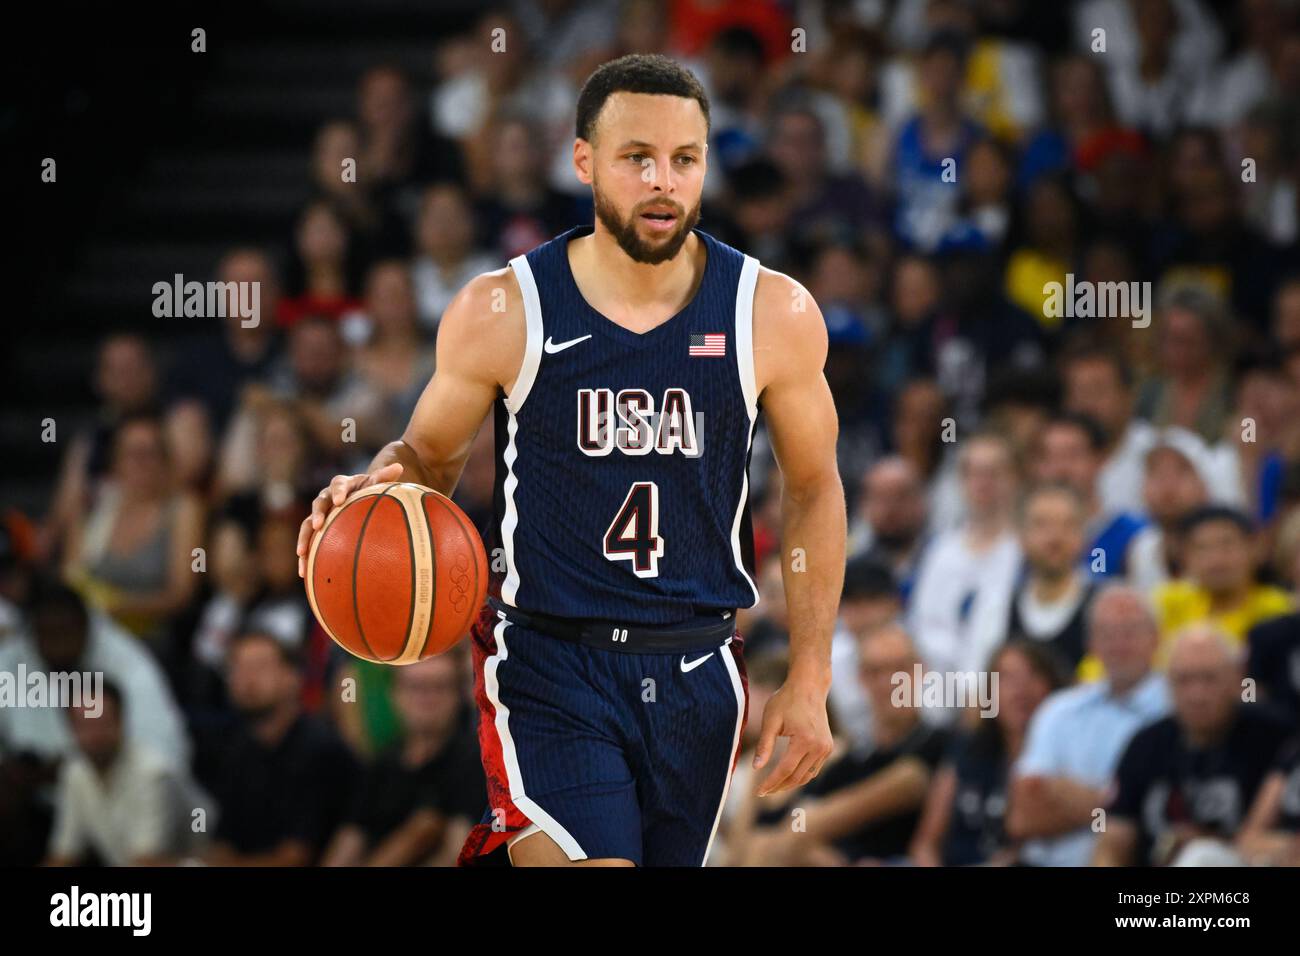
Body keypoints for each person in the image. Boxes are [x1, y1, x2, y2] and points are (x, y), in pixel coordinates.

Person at [297, 54, 845, 868]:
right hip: (549, 664)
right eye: (638, 159)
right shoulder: (503, 307)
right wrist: (380, 486)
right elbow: (429, 457)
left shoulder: (771, 312)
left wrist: (809, 676)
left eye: (685, 160)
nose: (664, 182)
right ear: (584, 161)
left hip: (694, 667)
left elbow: (813, 488)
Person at [1092, 625, 1292, 866]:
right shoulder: (1145, 744)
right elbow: (1112, 837)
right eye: (1184, 680)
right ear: (1166, 684)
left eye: (1209, 678)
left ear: (1238, 678)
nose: (1197, 694)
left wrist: (1215, 843)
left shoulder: (1276, 738)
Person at [1007, 586, 1170, 866]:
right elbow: (1022, 819)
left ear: (1156, 638)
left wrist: (1063, 793)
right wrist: (1115, 807)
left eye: (1130, 631)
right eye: (1107, 633)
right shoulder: (1059, 709)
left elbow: (1156, 819)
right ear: (1091, 644)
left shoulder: (1174, 711)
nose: (1119, 643)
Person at [197, 632, 357, 866]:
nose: (247, 679)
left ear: (293, 677)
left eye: (260, 667)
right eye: (237, 668)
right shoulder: (237, 748)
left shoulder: (321, 750)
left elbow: (295, 858)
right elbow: (223, 842)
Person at [322, 654, 486, 867]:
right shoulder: (381, 764)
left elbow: (458, 855)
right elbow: (347, 844)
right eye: (416, 687)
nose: (428, 699)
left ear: (460, 695)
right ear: (394, 694)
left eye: (440, 687)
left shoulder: (476, 762)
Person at [910, 641, 1064, 867]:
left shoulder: (1065, 756)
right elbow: (925, 844)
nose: (1020, 689)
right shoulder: (967, 747)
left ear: (1052, 686)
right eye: (1005, 678)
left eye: (1033, 674)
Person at [45, 682, 203, 867]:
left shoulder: (152, 773)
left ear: (121, 722)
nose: (94, 735)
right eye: (84, 726)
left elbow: (147, 862)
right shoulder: (74, 772)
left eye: (102, 723)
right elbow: (64, 854)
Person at [1006, 483, 1099, 675]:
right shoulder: (997, 604)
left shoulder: (1102, 604)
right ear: (1020, 535)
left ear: (1084, 535)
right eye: (1041, 525)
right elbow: (978, 690)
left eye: (1068, 524)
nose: (1055, 537)